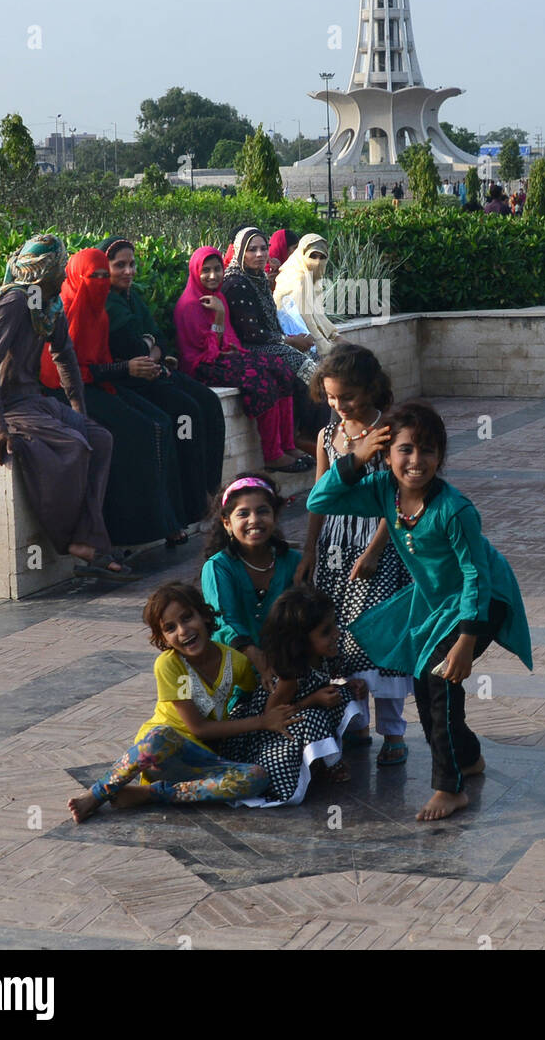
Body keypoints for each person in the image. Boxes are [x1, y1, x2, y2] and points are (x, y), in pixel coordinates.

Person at [307, 400, 532, 822]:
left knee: (440, 681)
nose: (416, 460)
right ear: (387, 454)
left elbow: (476, 579)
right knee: (423, 679)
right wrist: (357, 456)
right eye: (405, 449)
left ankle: (450, 788)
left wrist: (466, 641)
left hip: (483, 602)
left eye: (427, 450)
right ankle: (467, 758)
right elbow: (320, 499)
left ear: (441, 457)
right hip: (435, 603)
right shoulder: (382, 492)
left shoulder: (455, 510)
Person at [66, 582, 297, 821]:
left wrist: (279, 681)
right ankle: (96, 794)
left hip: (200, 760)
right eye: (170, 628)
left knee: (257, 777)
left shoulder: (236, 662)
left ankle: (151, 794)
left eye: (187, 618)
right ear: (163, 638)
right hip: (159, 754)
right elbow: (198, 727)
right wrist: (262, 722)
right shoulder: (170, 665)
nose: (183, 631)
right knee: (160, 736)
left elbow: (252, 696)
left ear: (205, 616)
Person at [0, 234, 118, 574]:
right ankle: (69, 542)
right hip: (2, 405)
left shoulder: (45, 304)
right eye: (60, 267)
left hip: (31, 400)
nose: (65, 274)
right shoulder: (15, 303)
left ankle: (89, 536)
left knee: (99, 438)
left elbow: (64, 356)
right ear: (44, 272)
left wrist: (78, 411)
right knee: (75, 447)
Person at [296, 345, 413, 767]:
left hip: (378, 546)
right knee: (341, 637)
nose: (339, 406)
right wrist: (309, 549)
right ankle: (356, 720)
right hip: (334, 547)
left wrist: (375, 550)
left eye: (347, 397)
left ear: (370, 389)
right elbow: (319, 497)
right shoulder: (329, 436)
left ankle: (394, 731)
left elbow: (398, 499)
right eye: (330, 397)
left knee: (379, 636)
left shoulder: (391, 434)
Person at [40, 248, 186, 547]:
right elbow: (64, 372)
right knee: (140, 431)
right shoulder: (65, 311)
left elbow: (103, 360)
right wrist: (127, 367)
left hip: (98, 383)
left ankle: (165, 519)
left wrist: (137, 366)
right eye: (95, 276)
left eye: (105, 276)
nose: (102, 282)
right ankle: (131, 528)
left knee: (160, 422)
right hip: (65, 392)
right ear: (79, 276)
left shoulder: (98, 312)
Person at [99, 237, 225, 523]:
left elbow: (158, 340)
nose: (128, 271)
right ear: (103, 267)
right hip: (128, 380)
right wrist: (151, 349)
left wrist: (153, 350)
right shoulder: (108, 302)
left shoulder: (133, 298)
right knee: (186, 413)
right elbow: (134, 347)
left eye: (131, 264)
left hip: (157, 371)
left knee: (208, 402)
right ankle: (194, 503)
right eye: (119, 265)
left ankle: (210, 489)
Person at [174, 248, 309, 473]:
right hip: (201, 366)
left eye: (217, 269)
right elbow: (207, 351)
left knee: (280, 368)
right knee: (261, 380)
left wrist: (232, 348)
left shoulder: (218, 298)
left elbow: (227, 341)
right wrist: (219, 316)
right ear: (195, 272)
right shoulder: (189, 305)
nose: (212, 275)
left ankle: (287, 444)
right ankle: (272, 454)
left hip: (222, 358)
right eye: (205, 270)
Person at [226, 587, 365, 804]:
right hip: (268, 737)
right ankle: (328, 763)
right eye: (326, 632)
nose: (336, 634)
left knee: (341, 695)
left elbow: (331, 680)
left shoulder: (322, 656)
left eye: (334, 626)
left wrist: (350, 684)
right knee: (313, 717)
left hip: (294, 718)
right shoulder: (289, 677)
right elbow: (272, 716)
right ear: (301, 641)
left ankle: (320, 760)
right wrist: (313, 700)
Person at [222, 227, 329, 441]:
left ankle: (318, 435)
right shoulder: (236, 283)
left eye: (263, 248)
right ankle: (306, 437)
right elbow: (250, 333)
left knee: (318, 364)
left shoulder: (257, 278)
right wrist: (288, 340)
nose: (260, 254)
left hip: (270, 342)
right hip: (251, 347)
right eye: (252, 250)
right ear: (241, 252)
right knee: (307, 370)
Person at [201, 474, 302, 687]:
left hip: (289, 672)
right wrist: (260, 662)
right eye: (243, 514)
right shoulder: (218, 566)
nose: (254, 520)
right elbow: (225, 621)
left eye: (263, 511)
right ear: (227, 523)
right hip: (236, 677)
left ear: (275, 516)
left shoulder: (293, 561)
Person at [273, 233, 340, 359]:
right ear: (302, 254)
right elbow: (305, 320)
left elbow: (317, 314)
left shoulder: (311, 277)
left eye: (322, 257)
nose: (317, 262)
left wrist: (334, 335)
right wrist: (326, 347)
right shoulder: (297, 278)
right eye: (313, 256)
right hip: (295, 343)